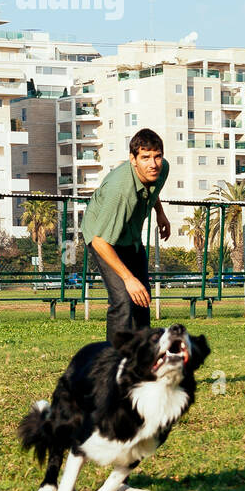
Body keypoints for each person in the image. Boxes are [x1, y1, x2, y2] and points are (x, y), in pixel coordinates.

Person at [80, 127, 170, 344]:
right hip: (103, 239)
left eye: (157, 156)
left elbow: (152, 189)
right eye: (145, 157)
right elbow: (100, 240)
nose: (153, 163)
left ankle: (142, 361)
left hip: (130, 237)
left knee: (142, 299)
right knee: (123, 300)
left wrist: (160, 213)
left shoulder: (161, 169)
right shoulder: (119, 190)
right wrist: (128, 278)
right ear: (133, 159)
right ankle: (114, 367)